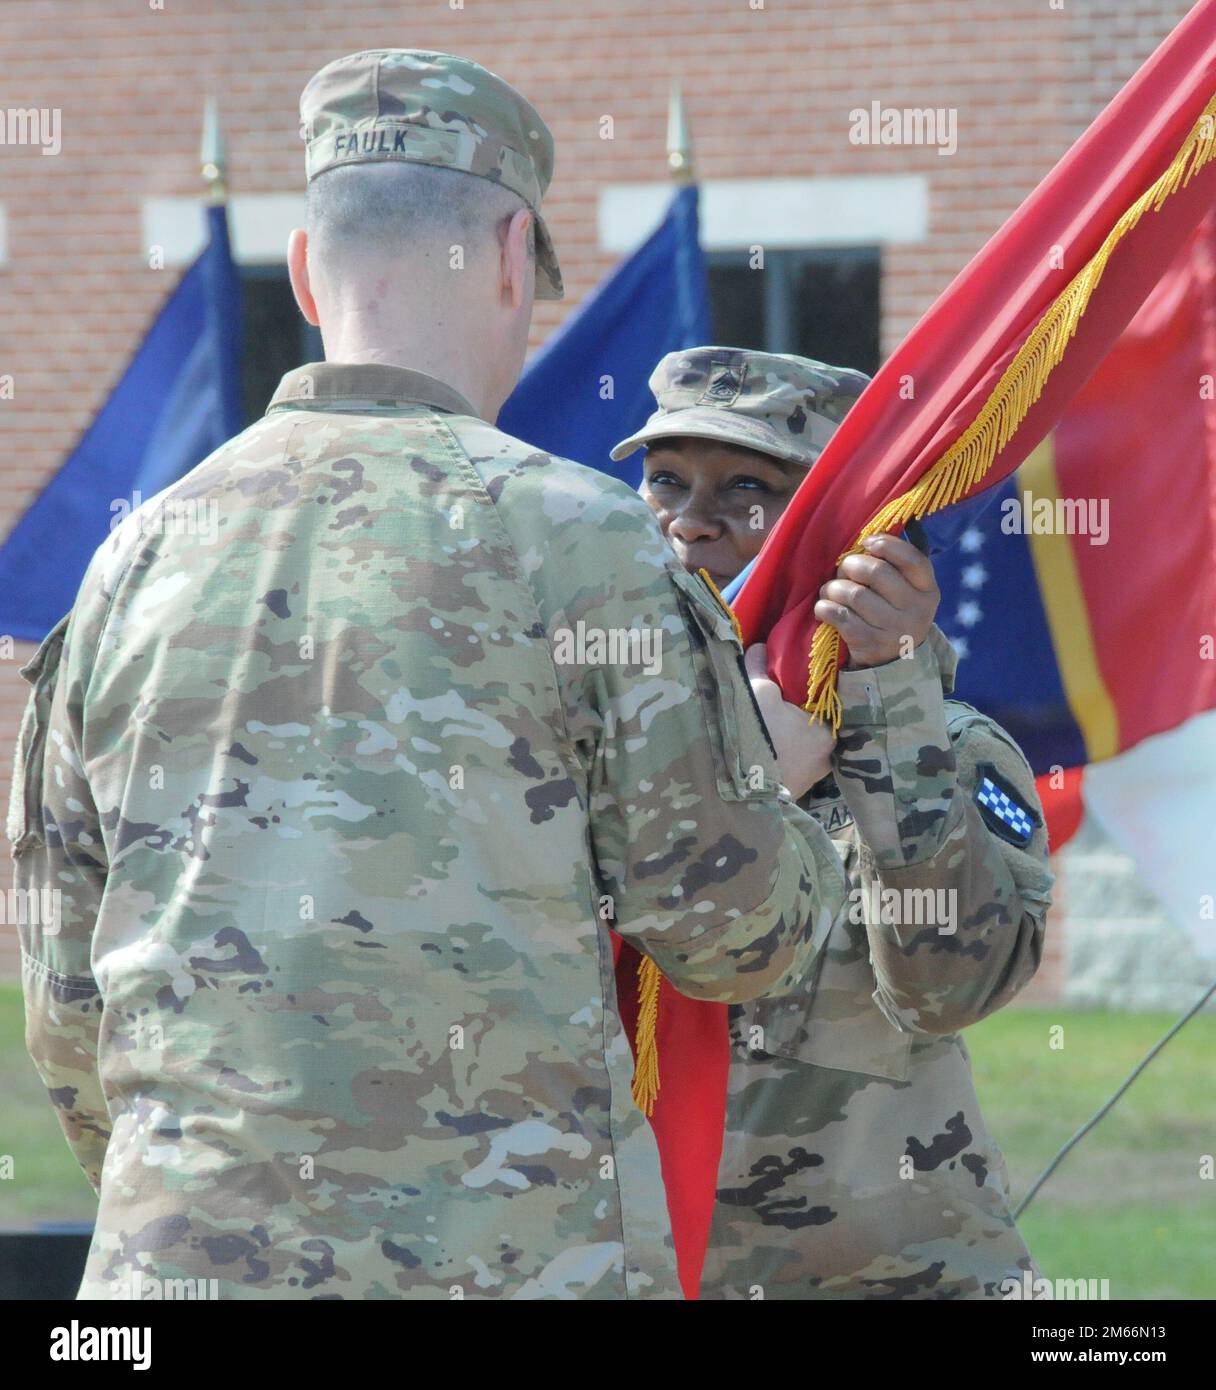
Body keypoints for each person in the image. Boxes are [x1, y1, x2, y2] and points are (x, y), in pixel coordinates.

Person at [7, 54, 849, 1301]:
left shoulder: (131, 557)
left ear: (306, 268)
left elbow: (66, 998)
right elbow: (737, 937)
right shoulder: (591, 540)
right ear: (513, 253)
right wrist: (775, 788)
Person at [611, 346, 1055, 1299]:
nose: (690, 521)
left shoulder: (950, 745)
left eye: (747, 490)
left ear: (837, 531)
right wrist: (746, 778)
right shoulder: (597, 742)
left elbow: (949, 988)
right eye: (664, 482)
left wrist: (889, 697)